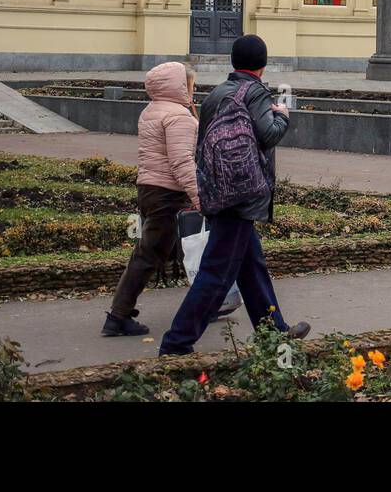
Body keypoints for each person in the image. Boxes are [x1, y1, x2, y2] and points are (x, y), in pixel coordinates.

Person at [159, 34, 310, 354]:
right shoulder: (255, 92)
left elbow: (203, 144)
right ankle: (176, 343)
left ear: (234, 61)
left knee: (251, 267)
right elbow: (267, 135)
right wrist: (282, 114)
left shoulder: (216, 94)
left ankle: (274, 332)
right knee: (215, 275)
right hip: (243, 194)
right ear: (263, 65)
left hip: (218, 190)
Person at [102, 61, 201, 336]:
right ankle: (118, 316)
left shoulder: (151, 111)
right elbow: (182, 163)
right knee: (151, 254)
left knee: (165, 251)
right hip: (168, 194)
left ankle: (207, 303)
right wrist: (201, 198)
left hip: (149, 188)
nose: (194, 90)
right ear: (181, 86)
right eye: (191, 84)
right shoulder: (178, 116)